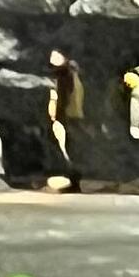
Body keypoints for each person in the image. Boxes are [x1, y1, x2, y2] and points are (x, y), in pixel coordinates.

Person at [46, 49, 84, 191]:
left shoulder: (64, 76)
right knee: (69, 148)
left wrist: (56, 115)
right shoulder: (72, 74)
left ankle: (73, 181)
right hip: (71, 115)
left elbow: (63, 98)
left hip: (66, 116)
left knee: (67, 148)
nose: (53, 59)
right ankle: (73, 180)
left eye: (56, 56)